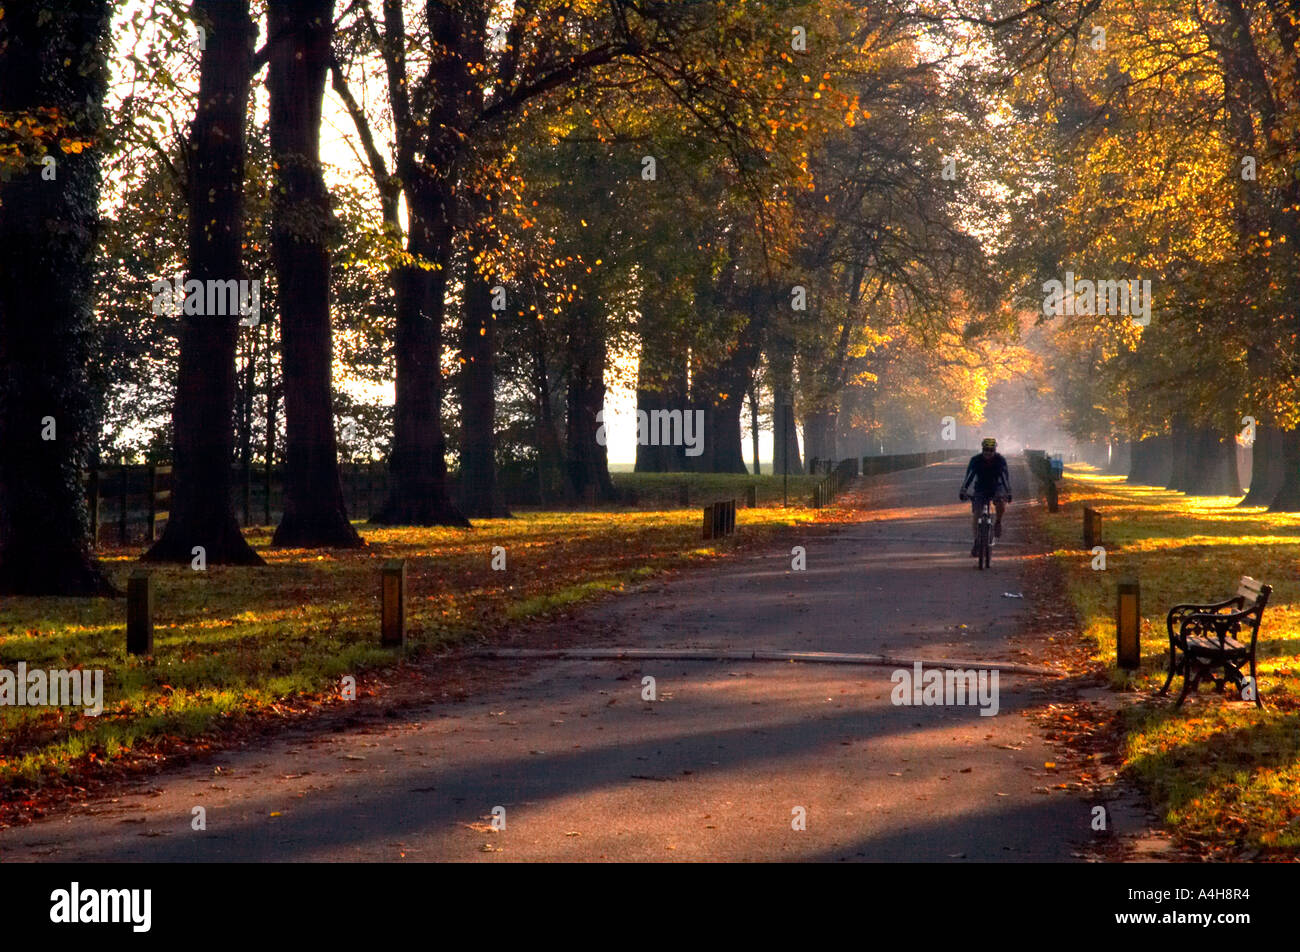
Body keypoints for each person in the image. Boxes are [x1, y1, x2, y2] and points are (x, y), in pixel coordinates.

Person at [959, 438, 1012, 556]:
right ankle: (977, 540)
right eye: (985, 450)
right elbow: (969, 476)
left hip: (996, 487)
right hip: (981, 488)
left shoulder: (1000, 460)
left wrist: (1008, 492)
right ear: (982, 450)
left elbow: (1004, 477)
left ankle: (998, 521)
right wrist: (964, 489)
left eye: (991, 450)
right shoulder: (976, 460)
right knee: (977, 513)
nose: (988, 453)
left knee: (1001, 503)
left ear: (995, 450)